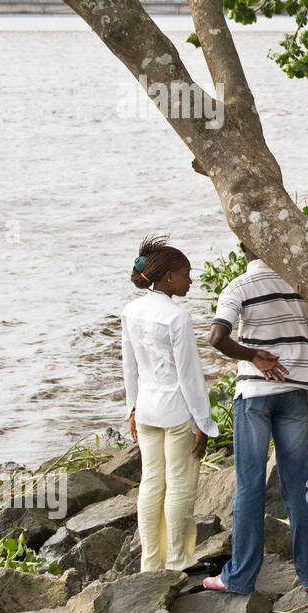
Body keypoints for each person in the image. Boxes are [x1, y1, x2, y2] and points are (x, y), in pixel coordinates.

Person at [205, 246, 308, 594]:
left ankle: (240, 577)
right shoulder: (299, 285)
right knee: (301, 487)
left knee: (250, 485)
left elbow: (217, 337)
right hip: (296, 393)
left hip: (254, 397)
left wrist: (253, 356)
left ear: (243, 249)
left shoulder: (238, 287)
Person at [121, 236, 218, 573]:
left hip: (146, 408)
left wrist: (132, 409)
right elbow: (190, 376)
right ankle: (177, 559)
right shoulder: (177, 317)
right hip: (176, 410)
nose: (191, 280)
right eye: (186, 274)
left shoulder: (130, 311)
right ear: (169, 278)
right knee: (179, 483)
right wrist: (203, 424)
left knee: (151, 483)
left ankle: (150, 562)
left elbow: (129, 367)